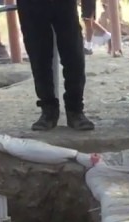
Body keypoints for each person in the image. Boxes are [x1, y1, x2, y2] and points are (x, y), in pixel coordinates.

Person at [16, 0, 93, 131]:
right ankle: (48, 111)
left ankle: (75, 110)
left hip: (64, 5)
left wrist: (88, 8)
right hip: (30, 5)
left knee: (74, 56)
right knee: (38, 57)